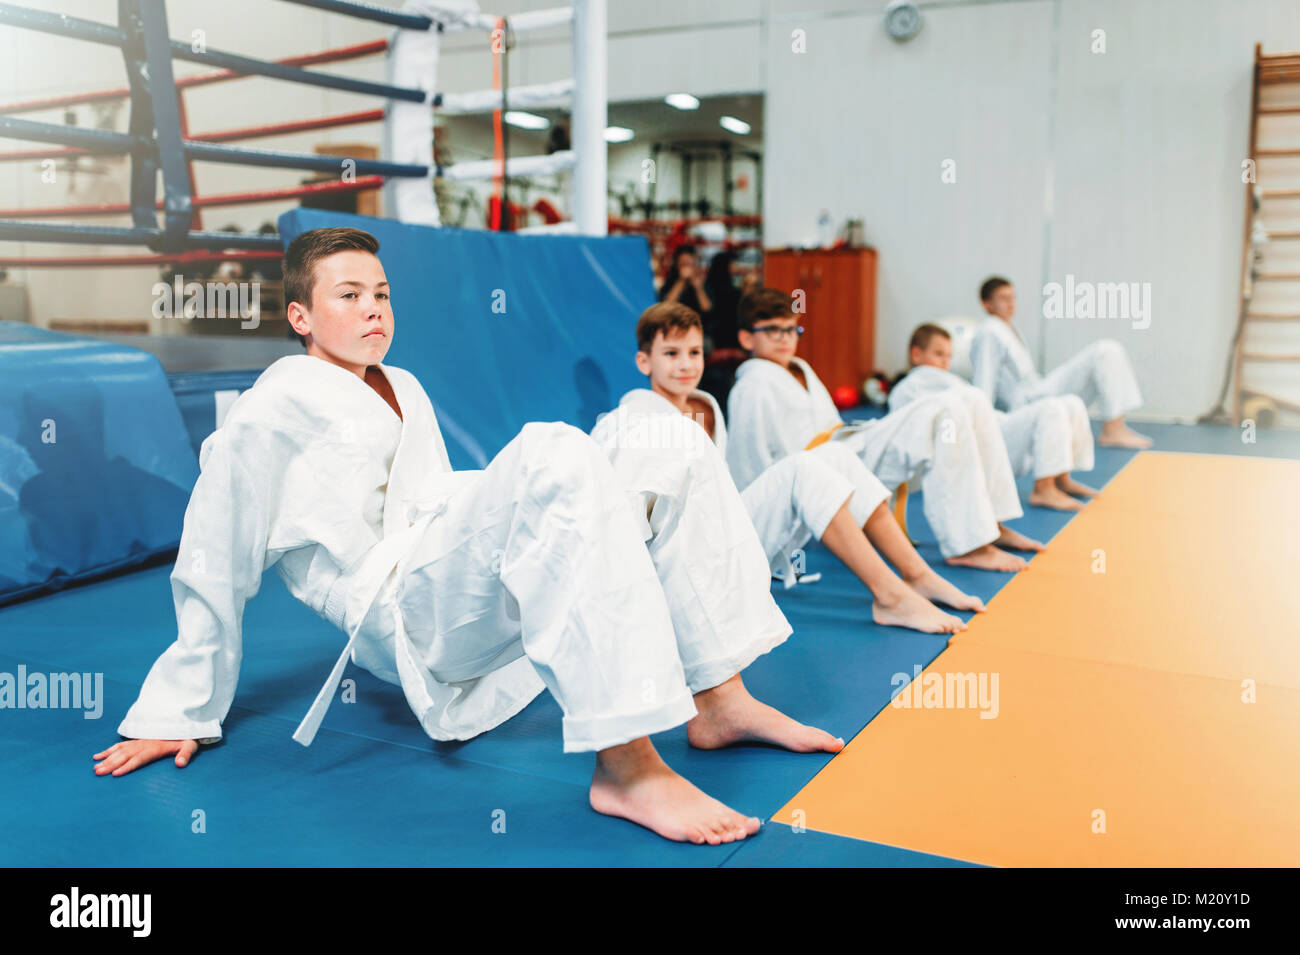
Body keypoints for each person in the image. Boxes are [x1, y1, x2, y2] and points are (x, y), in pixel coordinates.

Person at [94, 227, 844, 847]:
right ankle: (628, 766)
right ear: (300, 317)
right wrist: (182, 707)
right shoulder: (267, 413)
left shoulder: (403, 383)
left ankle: (719, 695)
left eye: (382, 294)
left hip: (447, 574)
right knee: (553, 447)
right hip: (399, 610)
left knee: (667, 438)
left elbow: (439, 508)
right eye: (349, 296)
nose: (373, 309)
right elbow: (213, 555)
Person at [593, 303, 983, 635]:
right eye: (671, 354)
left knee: (836, 457)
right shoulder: (635, 416)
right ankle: (891, 597)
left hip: (722, 539)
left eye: (694, 353)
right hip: (683, 559)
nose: (685, 365)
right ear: (644, 361)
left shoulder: (704, 404)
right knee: (801, 471)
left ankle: (916, 576)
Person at [727, 288, 1040, 572]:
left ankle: (993, 522)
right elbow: (748, 465)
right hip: (821, 470)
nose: (784, 338)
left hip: (850, 448)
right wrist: (768, 530)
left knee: (970, 399)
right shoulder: (752, 386)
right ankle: (969, 544)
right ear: (746, 339)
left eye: (790, 329)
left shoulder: (800, 368)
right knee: (945, 409)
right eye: (771, 331)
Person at [892, 324, 1097, 510]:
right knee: (1050, 409)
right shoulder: (911, 386)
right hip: (978, 439)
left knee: (1071, 403)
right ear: (916, 354)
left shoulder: (947, 379)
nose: (945, 362)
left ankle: (1061, 478)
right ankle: (1044, 489)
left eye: (949, 356)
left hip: (995, 425)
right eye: (939, 354)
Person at [971, 276, 1151, 448]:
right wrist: (982, 428)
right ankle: (1113, 430)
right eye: (1003, 298)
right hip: (1028, 402)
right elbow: (984, 380)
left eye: (1013, 298)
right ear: (987, 304)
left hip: (1039, 389)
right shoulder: (989, 331)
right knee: (1105, 351)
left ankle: (1115, 425)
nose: (1011, 303)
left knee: (1108, 352)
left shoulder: (1007, 328)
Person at [658, 244, 712, 323]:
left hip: (699, 326)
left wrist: (698, 288)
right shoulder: (670, 283)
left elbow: (707, 309)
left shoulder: (703, 283)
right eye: (684, 264)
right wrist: (681, 281)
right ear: (677, 265)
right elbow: (666, 306)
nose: (688, 268)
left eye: (691, 264)